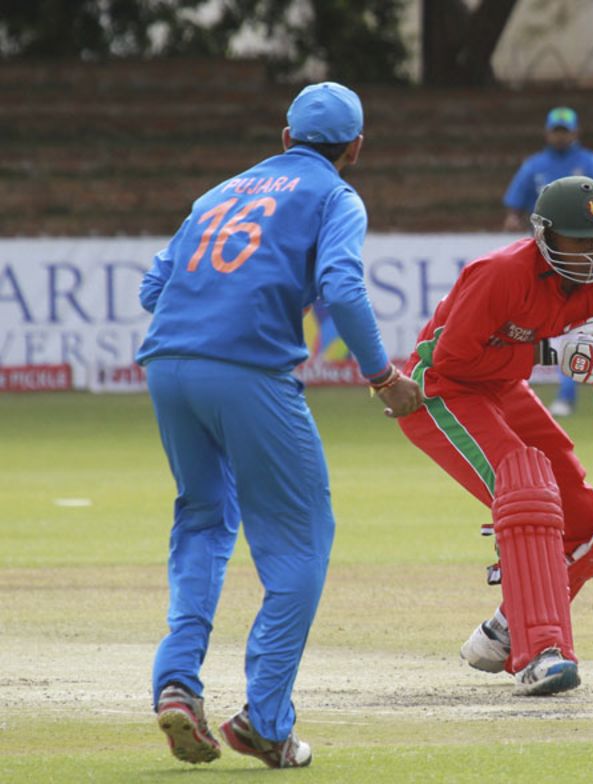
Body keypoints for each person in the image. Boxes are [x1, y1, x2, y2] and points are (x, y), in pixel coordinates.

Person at [137, 82, 422, 768]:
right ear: (355, 148)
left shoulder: (221, 192)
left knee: (203, 521)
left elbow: (154, 289)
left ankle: (178, 681)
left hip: (168, 366)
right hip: (246, 374)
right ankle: (266, 720)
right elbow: (344, 288)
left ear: (286, 135)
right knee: (301, 541)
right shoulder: (335, 196)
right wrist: (383, 375)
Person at [397, 175, 593, 696]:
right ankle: (540, 653)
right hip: (439, 391)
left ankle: (507, 626)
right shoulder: (501, 273)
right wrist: (549, 353)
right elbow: (452, 358)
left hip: (502, 388)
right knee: (525, 483)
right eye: (581, 239)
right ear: (545, 235)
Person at [502, 106, 593, 417]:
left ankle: (567, 395)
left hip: (583, 259)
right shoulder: (533, 167)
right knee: (531, 327)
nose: (560, 135)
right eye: (555, 130)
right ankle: (513, 392)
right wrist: (513, 220)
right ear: (547, 132)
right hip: (542, 261)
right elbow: (514, 206)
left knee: (578, 329)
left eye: (565, 130)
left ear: (576, 132)